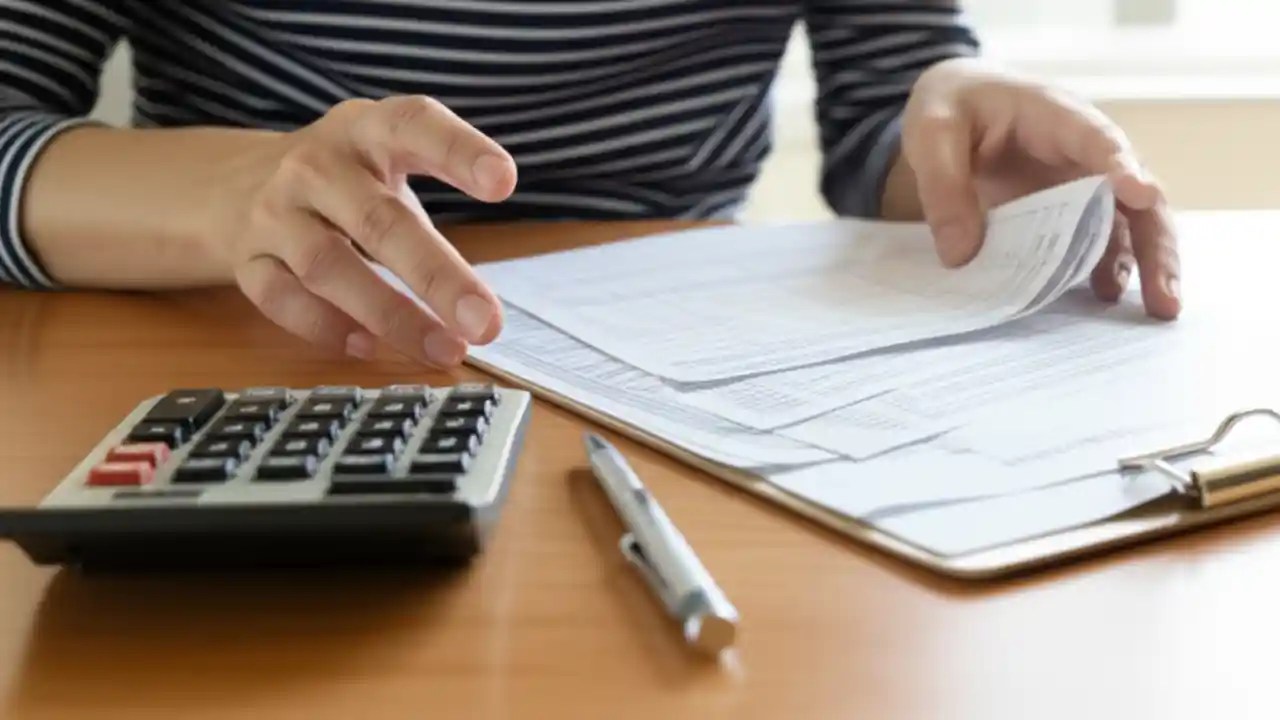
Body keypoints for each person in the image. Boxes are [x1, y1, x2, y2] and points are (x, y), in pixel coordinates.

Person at [0, 1, 1179, 367]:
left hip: (687, 394)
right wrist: (225, 191)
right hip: (254, 353)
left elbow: (884, 104)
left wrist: (964, 156)